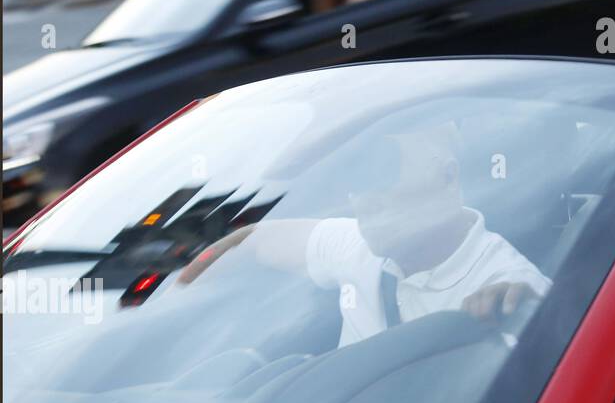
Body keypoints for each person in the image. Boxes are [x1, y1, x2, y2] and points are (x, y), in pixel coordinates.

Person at [177, 125, 549, 347]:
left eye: (384, 169)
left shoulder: (509, 287)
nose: (361, 196)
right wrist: (173, 298)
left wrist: (524, 313)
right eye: (356, 175)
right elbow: (251, 240)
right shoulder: (358, 245)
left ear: (447, 175)